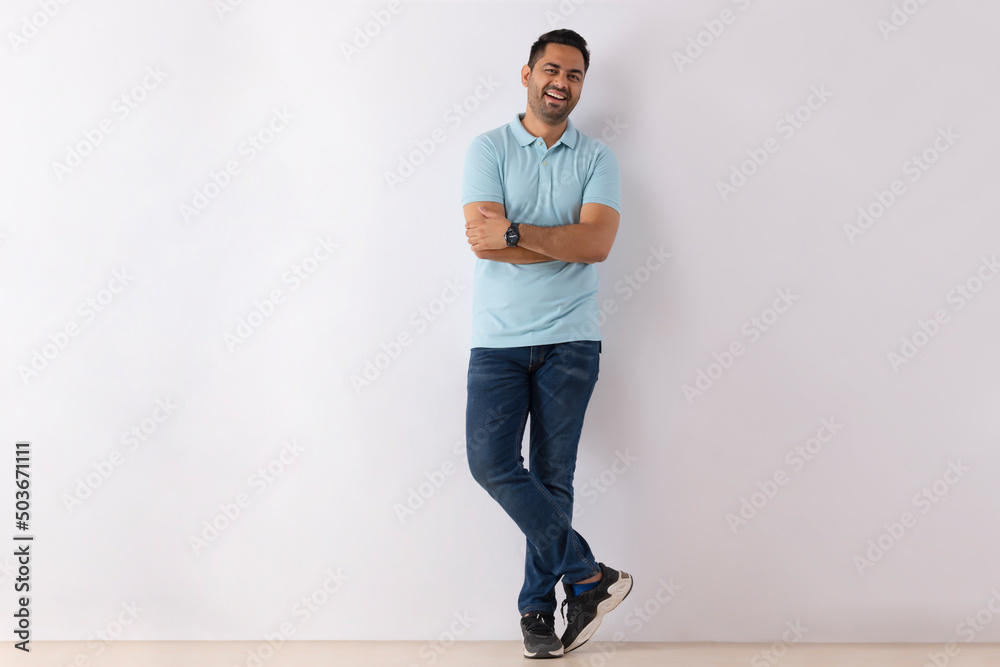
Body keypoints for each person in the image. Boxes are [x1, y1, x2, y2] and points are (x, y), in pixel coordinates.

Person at [462, 28, 632, 659]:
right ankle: (589, 575)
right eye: (553, 69)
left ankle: (537, 613)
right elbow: (481, 240)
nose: (563, 82)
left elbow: (596, 246)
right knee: (493, 465)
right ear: (529, 74)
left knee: (553, 477)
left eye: (576, 75)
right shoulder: (488, 149)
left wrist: (515, 234)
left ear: (582, 86)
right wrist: (548, 241)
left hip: (572, 342)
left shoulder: (597, 159)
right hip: (498, 342)